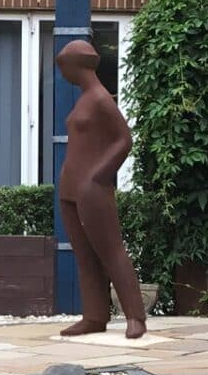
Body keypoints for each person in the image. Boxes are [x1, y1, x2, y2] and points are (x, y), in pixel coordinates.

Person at [55, 39, 148, 339]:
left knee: (110, 250)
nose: (61, 71)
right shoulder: (84, 98)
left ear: (78, 64)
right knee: (84, 254)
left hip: (92, 187)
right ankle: (94, 316)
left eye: (63, 64)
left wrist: (100, 175)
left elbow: (124, 139)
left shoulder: (100, 99)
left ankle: (136, 316)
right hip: (70, 186)